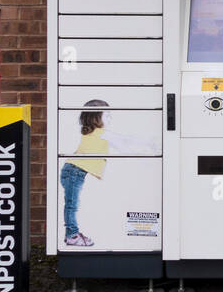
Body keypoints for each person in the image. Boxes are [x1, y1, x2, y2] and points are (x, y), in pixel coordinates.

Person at [60, 100, 158, 248]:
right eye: (107, 115)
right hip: (74, 171)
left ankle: (72, 233)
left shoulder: (95, 132)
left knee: (72, 204)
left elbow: (124, 140)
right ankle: (72, 235)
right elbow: (123, 143)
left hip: (73, 170)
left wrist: (146, 144)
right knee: (72, 205)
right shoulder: (100, 133)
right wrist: (146, 151)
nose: (110, 118)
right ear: (96, 117)